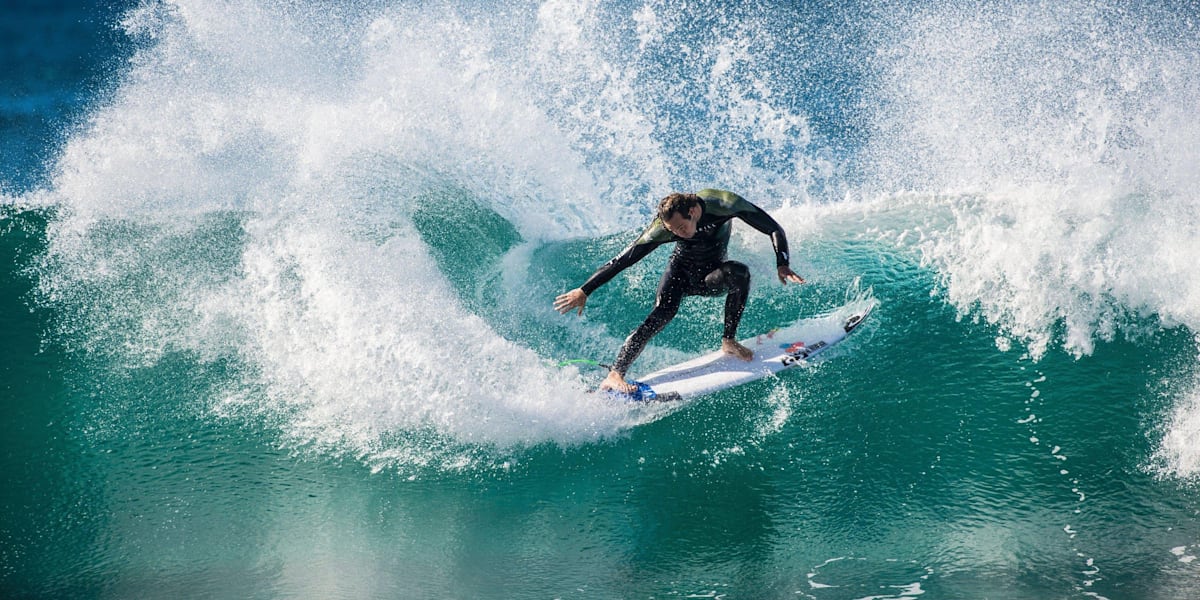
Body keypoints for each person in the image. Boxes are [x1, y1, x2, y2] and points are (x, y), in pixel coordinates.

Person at [554, 189, 804, 393]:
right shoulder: (663, 227)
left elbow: (773, 228)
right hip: (680, 274)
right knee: (661, 313)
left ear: (693, 211)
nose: (678, 234)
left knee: (739, 273)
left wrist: (782, 263)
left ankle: (729, 341)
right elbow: (622, 260)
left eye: (682, 228)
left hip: (711, 276)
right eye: (673, 232)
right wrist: (585, 290)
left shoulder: (722, 203)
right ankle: (616, 373)